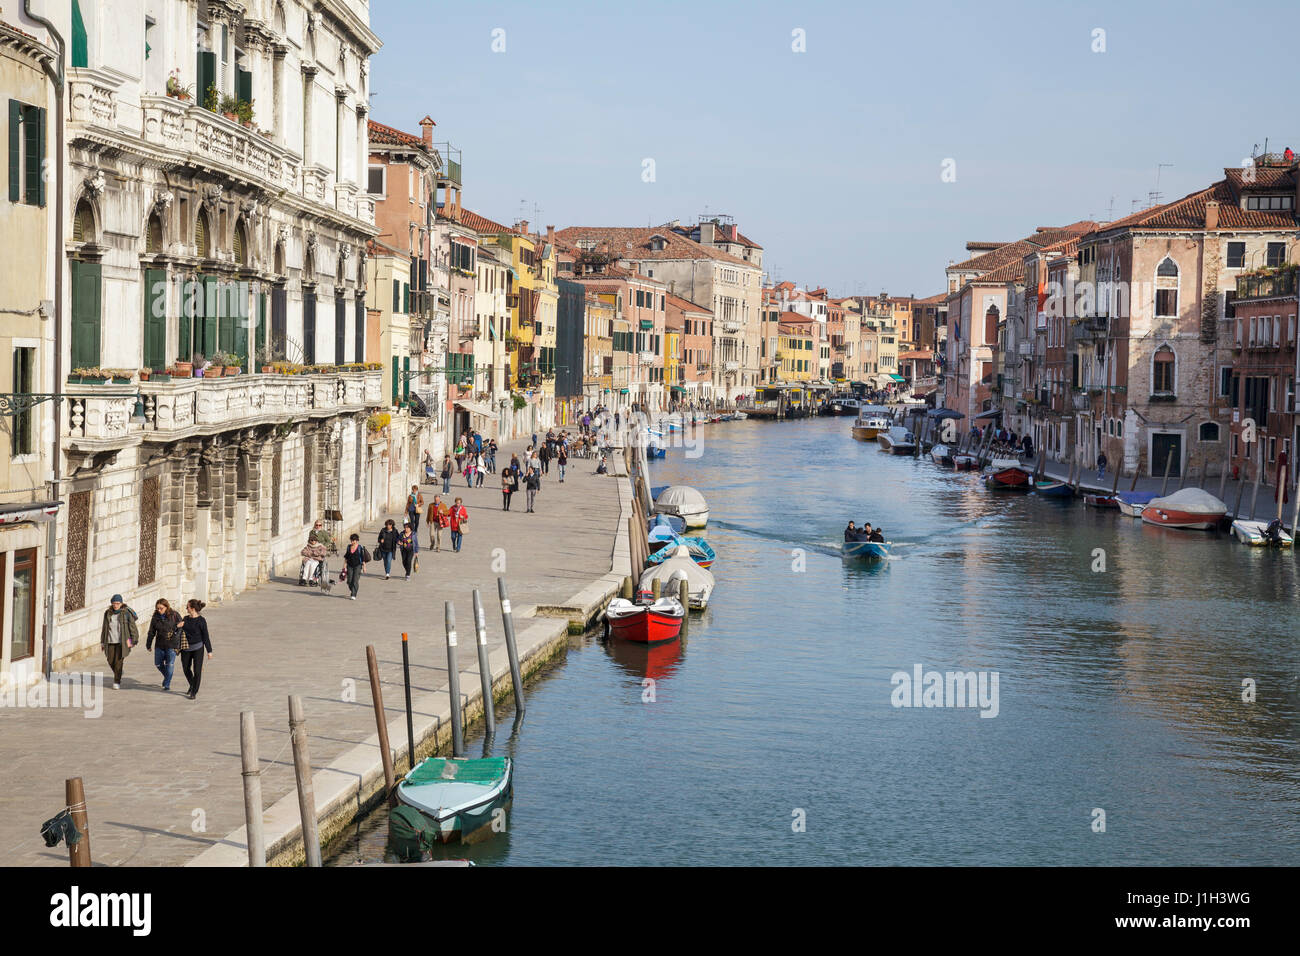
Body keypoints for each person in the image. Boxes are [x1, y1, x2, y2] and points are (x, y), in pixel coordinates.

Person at [100, 594, 139, 689]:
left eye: (117, 603)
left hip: (123, 641)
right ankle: (119, 672)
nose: (116, 605)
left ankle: (116, 681)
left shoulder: (126, 613)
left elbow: (132, 628)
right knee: (110, 660)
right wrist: (102, 642)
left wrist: (133, 640)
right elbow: (104, 628)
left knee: (118, 661)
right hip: (110, 641)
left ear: (121, 603)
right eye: (114, 603)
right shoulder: (107, 613)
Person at [176, 599, 212, 700]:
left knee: (197, 671)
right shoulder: (185, 619)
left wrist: (209, 651)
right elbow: (176, 631)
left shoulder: (201, 620)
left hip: (198, 648)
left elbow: (205, 636)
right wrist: (178, 626)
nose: (186, 608)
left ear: (192, 609)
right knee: (186, 668)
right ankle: (192, 684)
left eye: (187, 607)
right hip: (186, 648)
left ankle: (194, 692)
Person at [146, 598, 183, 691]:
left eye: (161, 608)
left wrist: (175, 636)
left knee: (169, 664)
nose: (159, 610)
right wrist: (148, 644)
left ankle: (167, 684)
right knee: (158, 663)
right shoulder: (155, 617)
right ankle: (167, 677)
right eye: (157, 608)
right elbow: (151, 631)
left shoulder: (174, 615)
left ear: (166, 607)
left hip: (172, 644)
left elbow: (181, 627)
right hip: (159, 644)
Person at [343, 533, 369, 599]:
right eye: (351, 540)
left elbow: (363, 558)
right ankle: (353, 590)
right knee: (349, 580)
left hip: (358, 566)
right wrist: (344, 566)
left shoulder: (360, 548)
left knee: (355, 580)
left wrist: (364, 567)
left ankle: (353, 594)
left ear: (356, 540)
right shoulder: (349, 547)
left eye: (353, 540)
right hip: (350, 565)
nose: (352, 542)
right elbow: (346, 557)